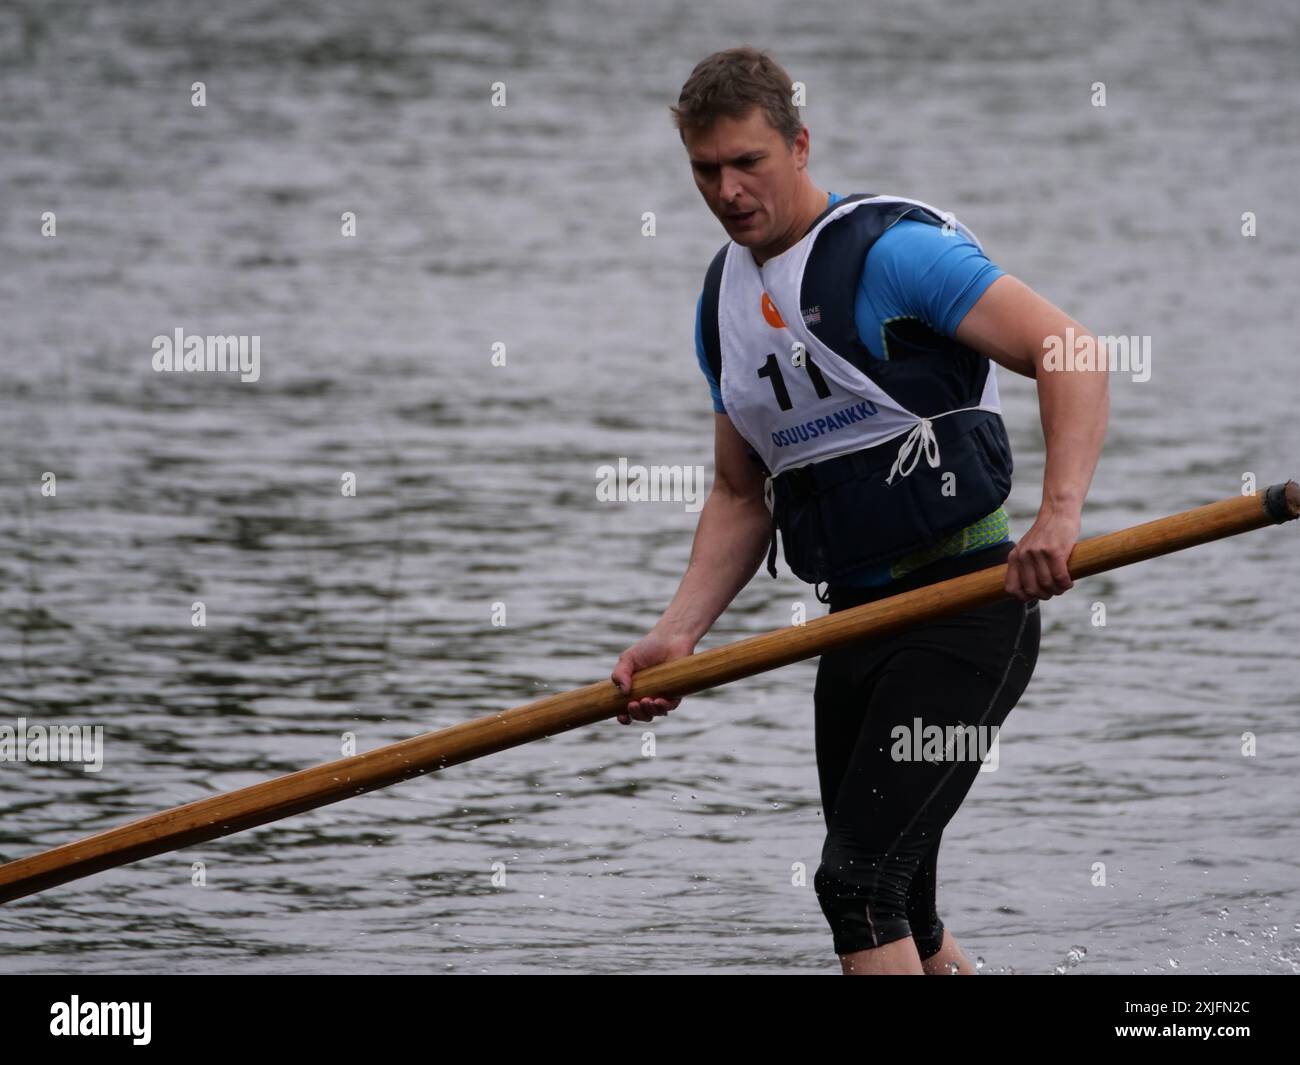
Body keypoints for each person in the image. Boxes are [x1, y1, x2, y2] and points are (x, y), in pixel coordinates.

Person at [610, 46, 1108, 975]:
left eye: (748, 162)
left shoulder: (892, 253)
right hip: (855, 623)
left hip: (968, 608)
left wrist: (1059, 516)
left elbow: (1070, 350)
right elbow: (740, 492)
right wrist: (678, 633)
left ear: (799, 146)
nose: (727, 191)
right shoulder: (721, 303)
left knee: (856, 883)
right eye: (705, 170)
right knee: (899, 897)